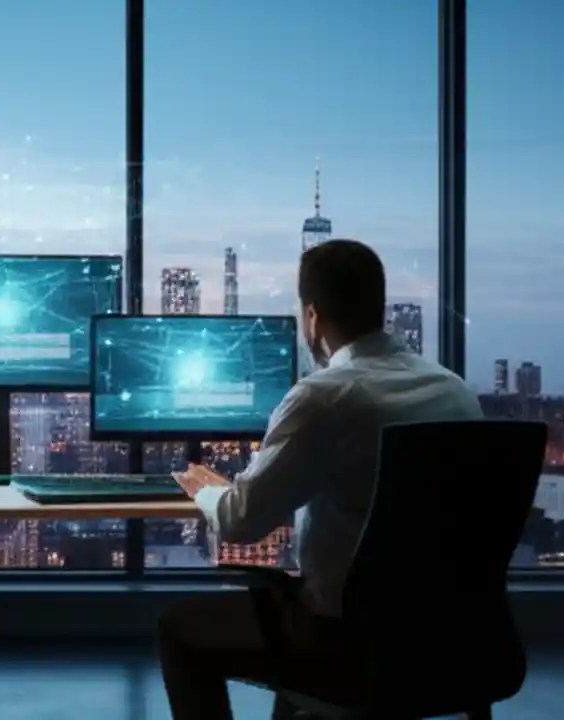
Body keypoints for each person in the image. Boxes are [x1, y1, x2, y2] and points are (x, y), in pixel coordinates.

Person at [159, 238, 483, 719]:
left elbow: (240, 522)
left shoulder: (324, 397)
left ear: (311, 316)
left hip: (344, 643)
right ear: (379, 306)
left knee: (179, 627)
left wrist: (205, 488)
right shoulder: (454, 391)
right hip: (459, 638)